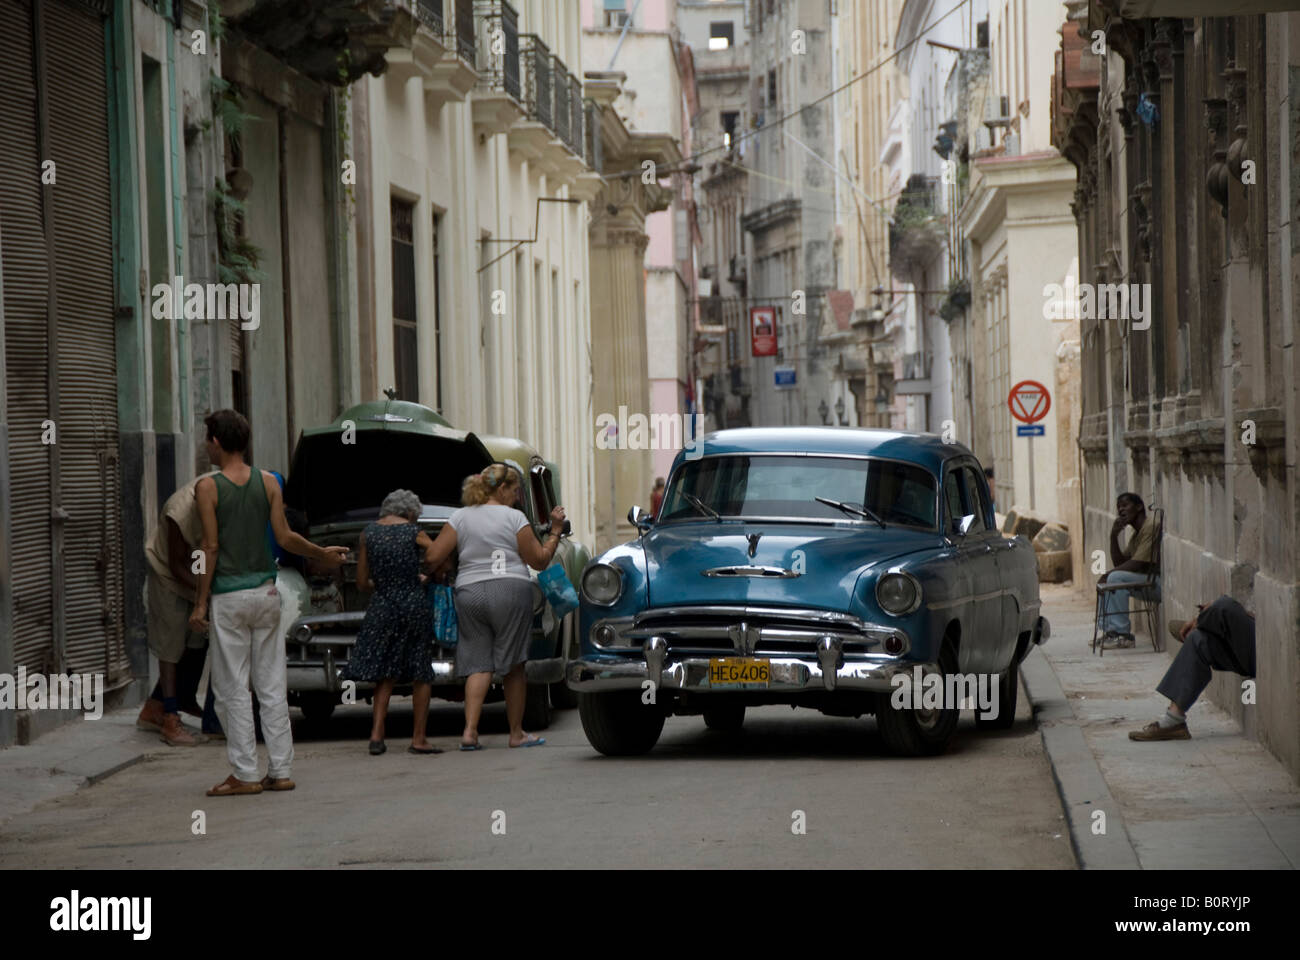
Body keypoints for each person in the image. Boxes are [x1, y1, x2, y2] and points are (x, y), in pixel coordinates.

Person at [189, 409, 347, 797]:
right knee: (272, 685)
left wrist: (198, 603)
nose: (205, 444)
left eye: (206, 437)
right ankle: (280, 769)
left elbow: (209, 547)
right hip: (267, 593)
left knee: (232, 689)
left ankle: (244, 772)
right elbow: (286, 536)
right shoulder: (270, 482)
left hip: (230, 597)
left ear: (216, 442)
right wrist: (321, 553)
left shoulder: (207, 488)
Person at [422, 462, 565, 750]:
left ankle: (470, 732)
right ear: (501, 489)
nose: (516, 497)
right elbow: (538, 560)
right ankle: (515, 734)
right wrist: (555, 533)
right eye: (514, 490)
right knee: (513, 667)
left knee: (478, 664)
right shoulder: (514, 518)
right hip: (510, 591)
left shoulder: (459, 517)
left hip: (469, 592)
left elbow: (433, 556)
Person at [344, 489, 442, 756]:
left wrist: (384, 584)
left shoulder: (368, 533)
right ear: (410, 513)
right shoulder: (414, 531)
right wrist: (425, 574)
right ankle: (419, 739)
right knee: (421, 671)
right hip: (413, 603)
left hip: (382, 605)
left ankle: (377, 734)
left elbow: (362, 582)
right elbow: (437, 553)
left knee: (385, 673)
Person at [139, 471, 217, 746]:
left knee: (198, 640)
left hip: (197, 570)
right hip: (169, 575)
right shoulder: (178, 512)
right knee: (171, 644)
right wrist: (203, 594)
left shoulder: (223, 492)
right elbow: (175, 564)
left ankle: (164, 704)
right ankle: (170, 717)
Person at [1129, 595, 1256, 741]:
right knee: (1197, 639)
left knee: (1224, 606)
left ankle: (1201, 622)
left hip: (1263, 644)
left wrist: (1202, 618)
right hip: (1251, 640)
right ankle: (1173, 722)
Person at [1096, 492, 1159, 648]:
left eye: (1125, 505)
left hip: (1157, 584)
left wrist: (1108, 574)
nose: (1121, 510)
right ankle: (1111, 632)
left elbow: (1137, 564)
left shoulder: (1150, 526)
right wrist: (1113, 536)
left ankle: (1123, 635)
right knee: (1111, 579)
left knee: (1114, 578)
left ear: (1138, 507)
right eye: (1118, 507)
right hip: (1145, 581)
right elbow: (1120, 563)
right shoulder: (1136, 534)